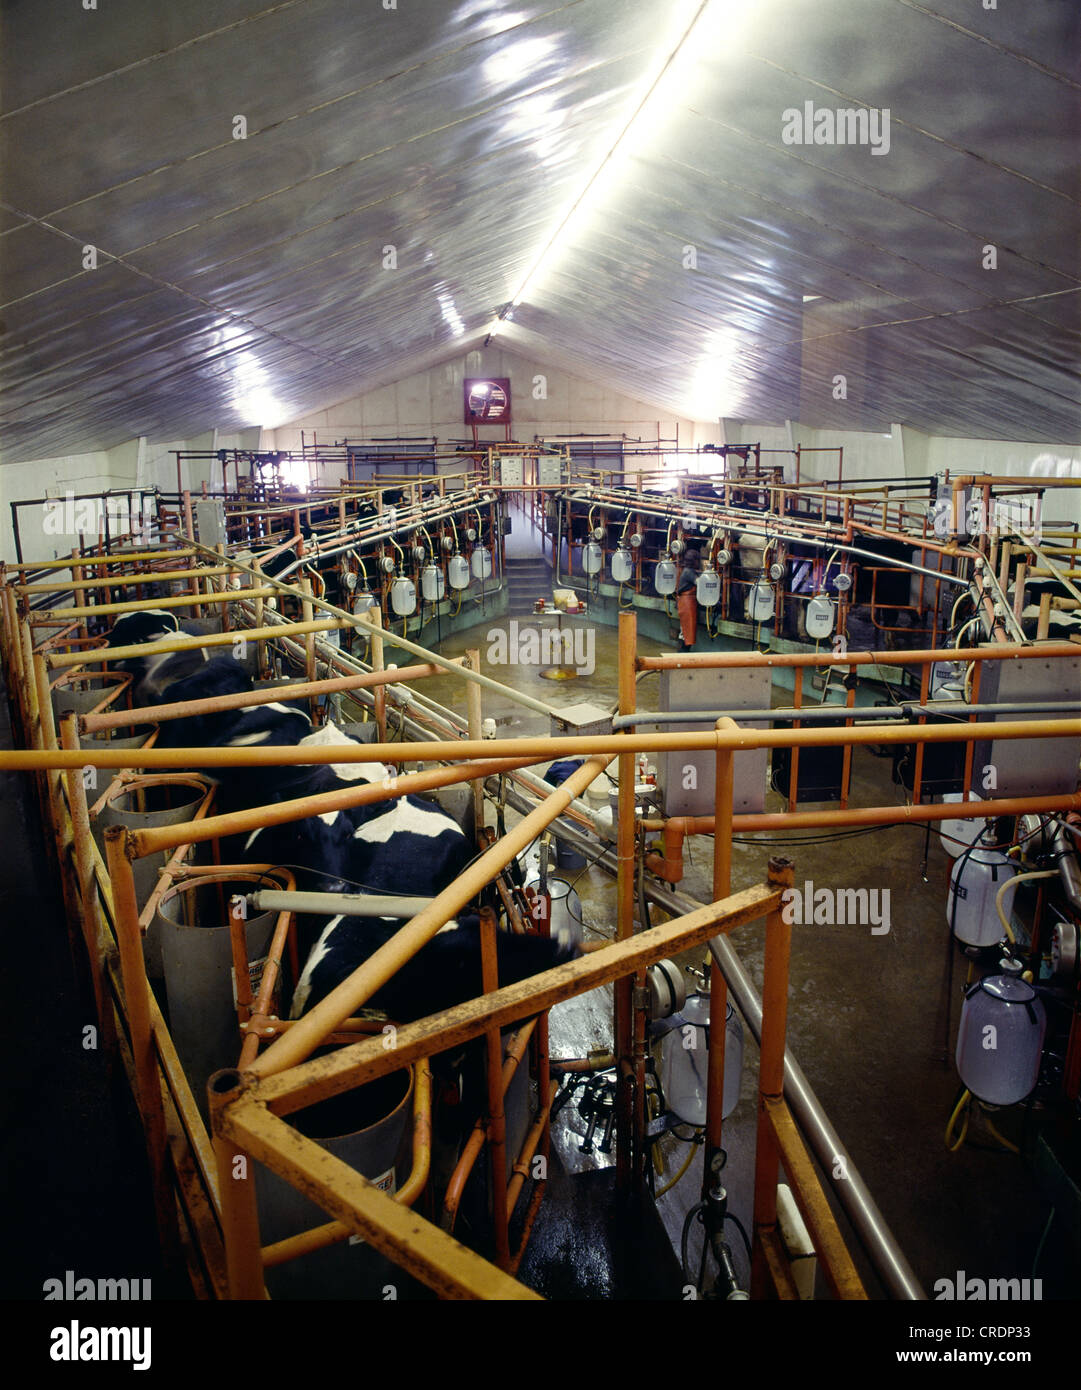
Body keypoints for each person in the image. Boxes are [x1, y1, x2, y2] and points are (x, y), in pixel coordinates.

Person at [676, 548, 700, 650]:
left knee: (685, 629)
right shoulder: (688, 572)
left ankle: (682, 654)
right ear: (694, 561)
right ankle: (683, 653)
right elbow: (699, 583)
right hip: (687, 603)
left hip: (686, 601)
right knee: (686, 629)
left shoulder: (687, 571)